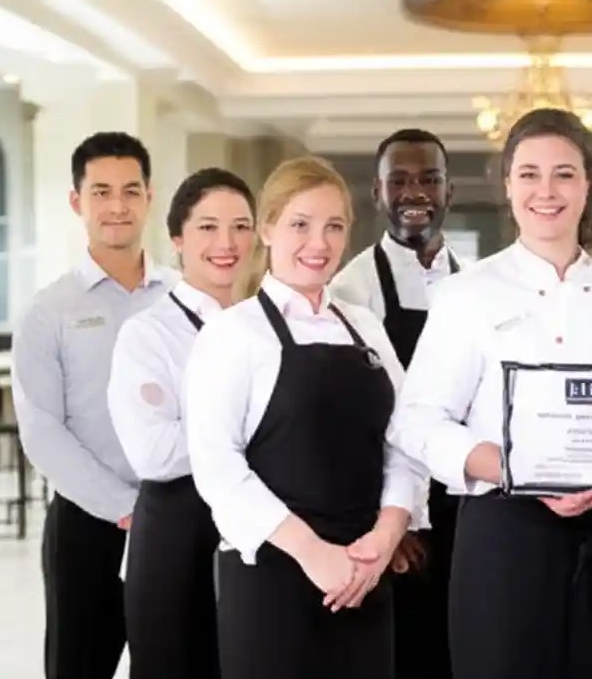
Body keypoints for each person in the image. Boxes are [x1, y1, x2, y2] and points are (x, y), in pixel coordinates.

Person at [393, 108, 592, 679]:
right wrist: (511, 466)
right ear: (507, 185)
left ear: (587, 184)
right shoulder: (465, 294)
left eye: (563, 174)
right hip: (504, 538)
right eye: (528, 174)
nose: (545, 191)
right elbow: (418, 421)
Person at [183, 156, 428, 678]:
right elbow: (218, 468)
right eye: (300, 224)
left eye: (333, 227)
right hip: (275, 575)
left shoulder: (365, 327)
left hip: (366, 574)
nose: (318, 244)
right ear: (267, 229)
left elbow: (407, 441)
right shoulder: (233, 334)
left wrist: (383, 540)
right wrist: (314, 554)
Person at [11, 132, 176, 679]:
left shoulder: (181, 297)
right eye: (101, 191)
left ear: (150, 197)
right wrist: (125, 508)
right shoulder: (48, 311)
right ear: (77, 201)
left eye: (130, 190)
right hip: (88, 524)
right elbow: (42, 430)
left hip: (176, 519)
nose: (117, 206)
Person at [107, 168, 257, 678]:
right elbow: (154, 451)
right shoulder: (147, 335)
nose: (227, 242)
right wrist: (251, 432)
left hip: (256, 529)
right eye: (208, 227)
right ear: (177, 239)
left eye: (241, 226)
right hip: (176, 532)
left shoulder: (268, 326)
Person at [329, 128, 461, 678]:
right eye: (399, 181)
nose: (415, 193)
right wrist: (394, 516)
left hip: (466, 502)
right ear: (377, 193)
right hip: (389, 513)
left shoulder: (476, 287)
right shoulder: (348, 288)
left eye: (429, 179)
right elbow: (351, 419)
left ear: (449, 192)